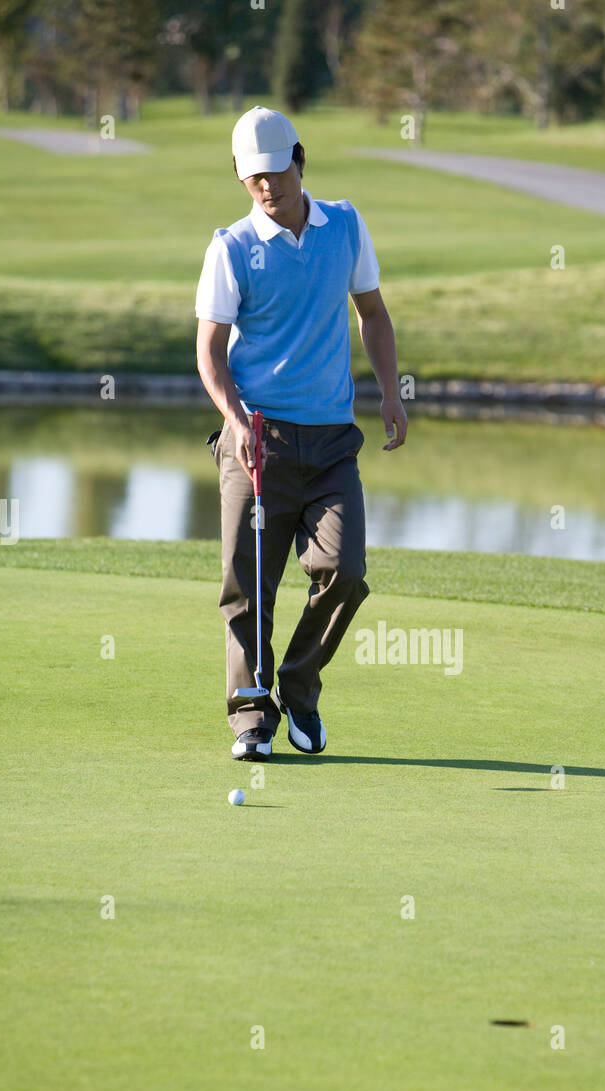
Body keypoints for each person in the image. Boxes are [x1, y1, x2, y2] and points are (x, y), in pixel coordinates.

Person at [196, 106, 407, 760]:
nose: (267, 185)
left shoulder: (344, 225)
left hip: (331, 442)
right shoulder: (231, 248)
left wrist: (391, 393)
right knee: (247, 588)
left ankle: (300, 682)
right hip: (256, 442)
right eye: (253, 175)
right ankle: (251, 720)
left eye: (276, 170)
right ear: (240, 175)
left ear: (300, 158)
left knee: (343, 572)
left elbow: (372, 313)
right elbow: (210, 349)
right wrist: (234, 421)